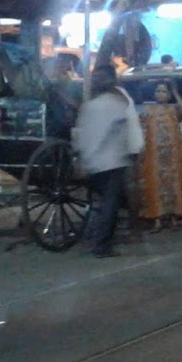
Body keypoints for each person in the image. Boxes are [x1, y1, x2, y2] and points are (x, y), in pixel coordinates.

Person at [74, 65, 144, 258]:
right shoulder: (119, 103)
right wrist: (135, 151)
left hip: (92, 163)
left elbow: (80, 134)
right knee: (109, 205)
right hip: (112, 162)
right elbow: (131, 129)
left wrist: (82, 158)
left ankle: (94, 236)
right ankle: (102, 245)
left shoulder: (89, 106)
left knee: (101, 202)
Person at [133, 79, 182, 230]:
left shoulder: (173, 110)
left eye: (164, 91)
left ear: (169, 94)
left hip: (172, 157)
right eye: (158, 91)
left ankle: (173, 218)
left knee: (172, 186)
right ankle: (157, 219)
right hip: (154, 156)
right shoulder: (148, 110)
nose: (160, 94)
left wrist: (176, 92)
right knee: (155, 185)